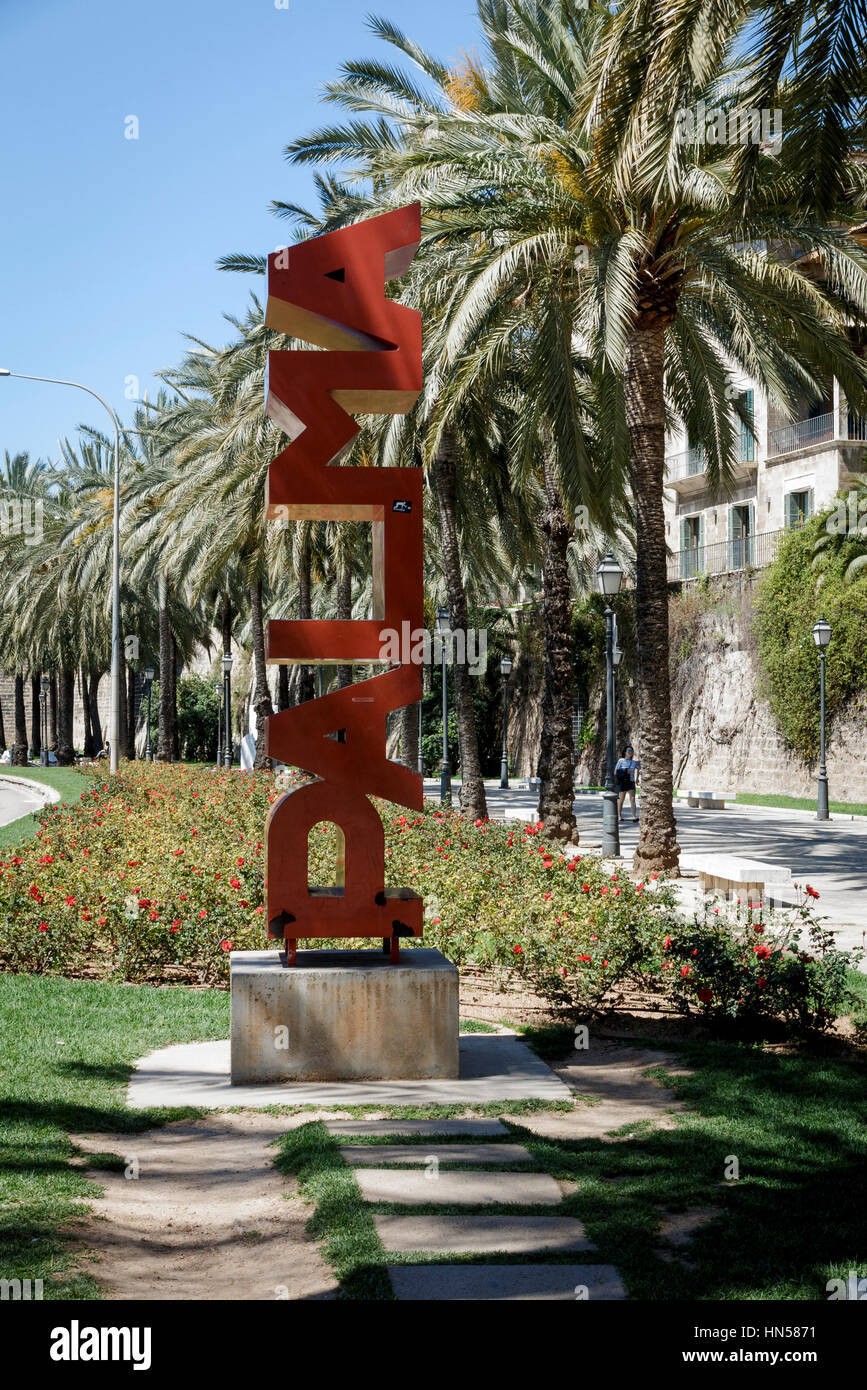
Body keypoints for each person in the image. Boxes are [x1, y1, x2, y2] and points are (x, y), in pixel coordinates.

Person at [615, 744, 640, 822]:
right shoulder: (621, 760)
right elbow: (615, 771)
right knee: (621, 800)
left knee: (632, 799)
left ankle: (634, 817)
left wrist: (637, 778)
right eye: (629, 750)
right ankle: (619, 816)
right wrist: (625, 771)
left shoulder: (633, 762)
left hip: (631, 782)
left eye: (632, 751)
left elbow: (638, 769)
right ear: (625, 752)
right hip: (622, 783)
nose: (630, 752)